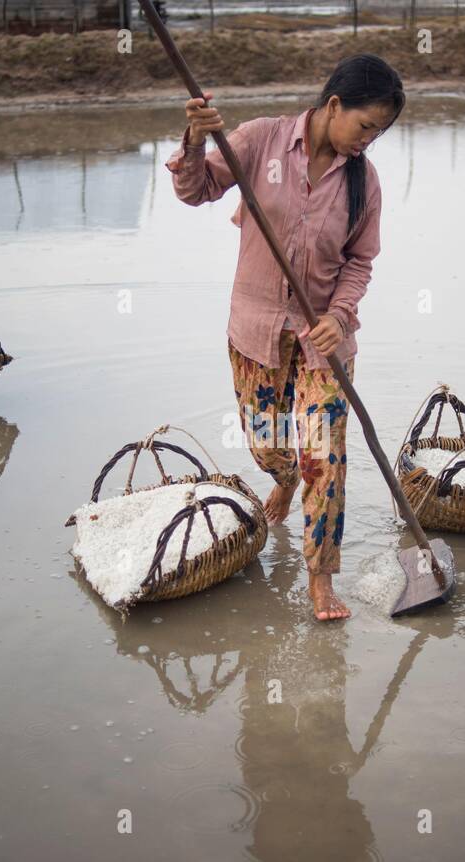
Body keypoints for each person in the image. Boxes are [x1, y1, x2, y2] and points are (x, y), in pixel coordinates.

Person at [163, 54, 404, 621]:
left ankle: (321, 578)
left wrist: (340, 315)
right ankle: (282, 477)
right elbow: (195, 191)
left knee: (325, 455)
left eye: (380, 134)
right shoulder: (258, 141)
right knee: (269, 444)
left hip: (324, 344)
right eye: (365, 126)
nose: (368, 141)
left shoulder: (361, 180)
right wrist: (196, 142)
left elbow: (360, 261)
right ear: (334, 105)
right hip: (256, 330)